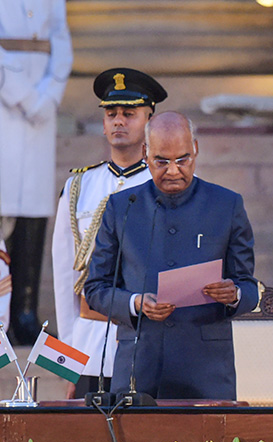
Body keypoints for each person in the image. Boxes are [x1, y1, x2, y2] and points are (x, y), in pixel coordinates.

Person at [84, 111, 258, 400]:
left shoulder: (226, 205)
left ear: (197, 150)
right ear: (145, 153)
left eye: (183, 159)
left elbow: (250, 288)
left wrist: (234, 294)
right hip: (138, 367)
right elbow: (95, 289)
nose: (173, 171)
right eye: (161, 161)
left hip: (206, 369)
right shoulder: (121, 207)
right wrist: (135, 302)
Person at [52, 68, 167, 399]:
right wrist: (68, 361)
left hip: (147, 337)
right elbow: (65, 276)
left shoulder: (165, 184)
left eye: (129, 114)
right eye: (111, 113)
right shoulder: (79, 186)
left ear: (149, 121)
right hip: (90, 342)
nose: (119, 121)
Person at [0, 0, 73, 344]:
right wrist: (24, 97)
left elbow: (60, 41)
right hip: (6, 101)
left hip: (42, 108)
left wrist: (50, 94)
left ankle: (24, 313)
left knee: (34, 208)